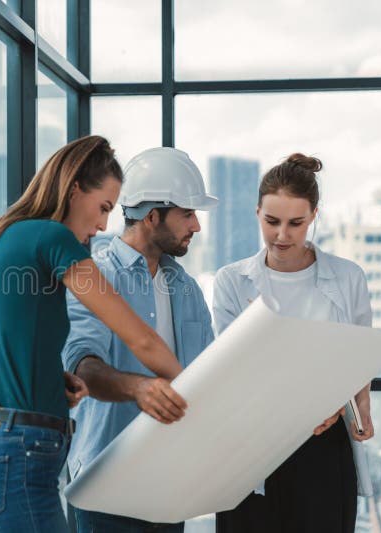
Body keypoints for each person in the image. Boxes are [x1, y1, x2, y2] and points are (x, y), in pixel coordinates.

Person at [0, 136, 189, 532]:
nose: (104, 225)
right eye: (104, 207)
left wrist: (35, 381)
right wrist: (196, 393)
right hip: (21, 458)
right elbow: (139, 338)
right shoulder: (51, 238)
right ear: (75, 190)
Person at [213, 153, 375, 533]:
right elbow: (231, 366)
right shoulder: (232, 281)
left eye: (295, 223)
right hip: (250, 448)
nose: (282, 235)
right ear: (257, 213)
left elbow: (361, 358)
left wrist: (356, 406)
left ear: (314, 216)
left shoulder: (349, 278)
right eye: (272, 222)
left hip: (322, 446)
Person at [62, 147, 218, 533]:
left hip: (170, 481)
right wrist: (140, 388)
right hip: (106, 484)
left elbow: (207, 375)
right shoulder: (92, 276)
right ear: (152, 216)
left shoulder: (187, 290)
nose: (196, 226)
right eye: (187, 214)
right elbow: (82, 366)